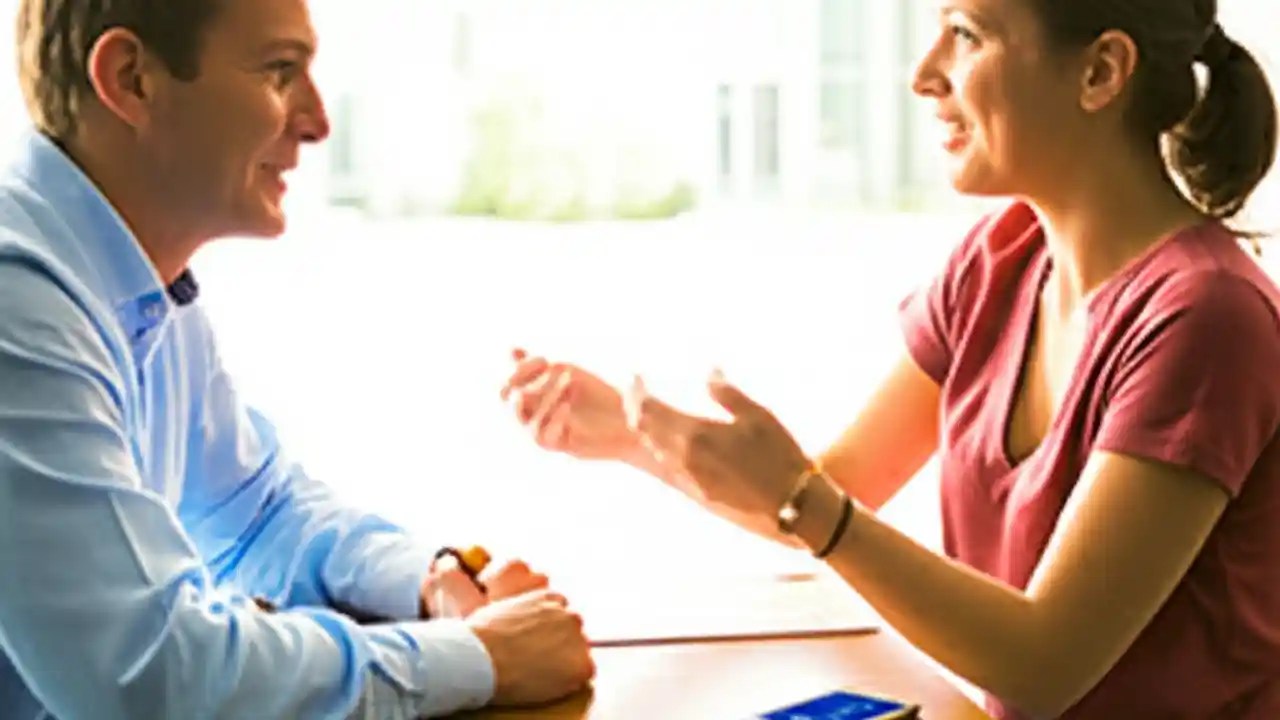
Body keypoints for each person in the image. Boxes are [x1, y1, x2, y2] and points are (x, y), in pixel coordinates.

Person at [503, 0, 1280, 717]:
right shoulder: (999, 261)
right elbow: (827, 492)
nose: (924, 73)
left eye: (967, 33)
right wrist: (627, 434)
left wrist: (807, 503)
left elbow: (1045, 665)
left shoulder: (1206, 319)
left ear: (1101, 71)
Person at [0, 1, 594, 718]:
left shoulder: (136, 288)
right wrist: (482, 659)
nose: (317, 122)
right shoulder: (17, 302)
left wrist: (433, 583)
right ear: (131, 80)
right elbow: (147, 675)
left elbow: (258, 516)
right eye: (280, 72)